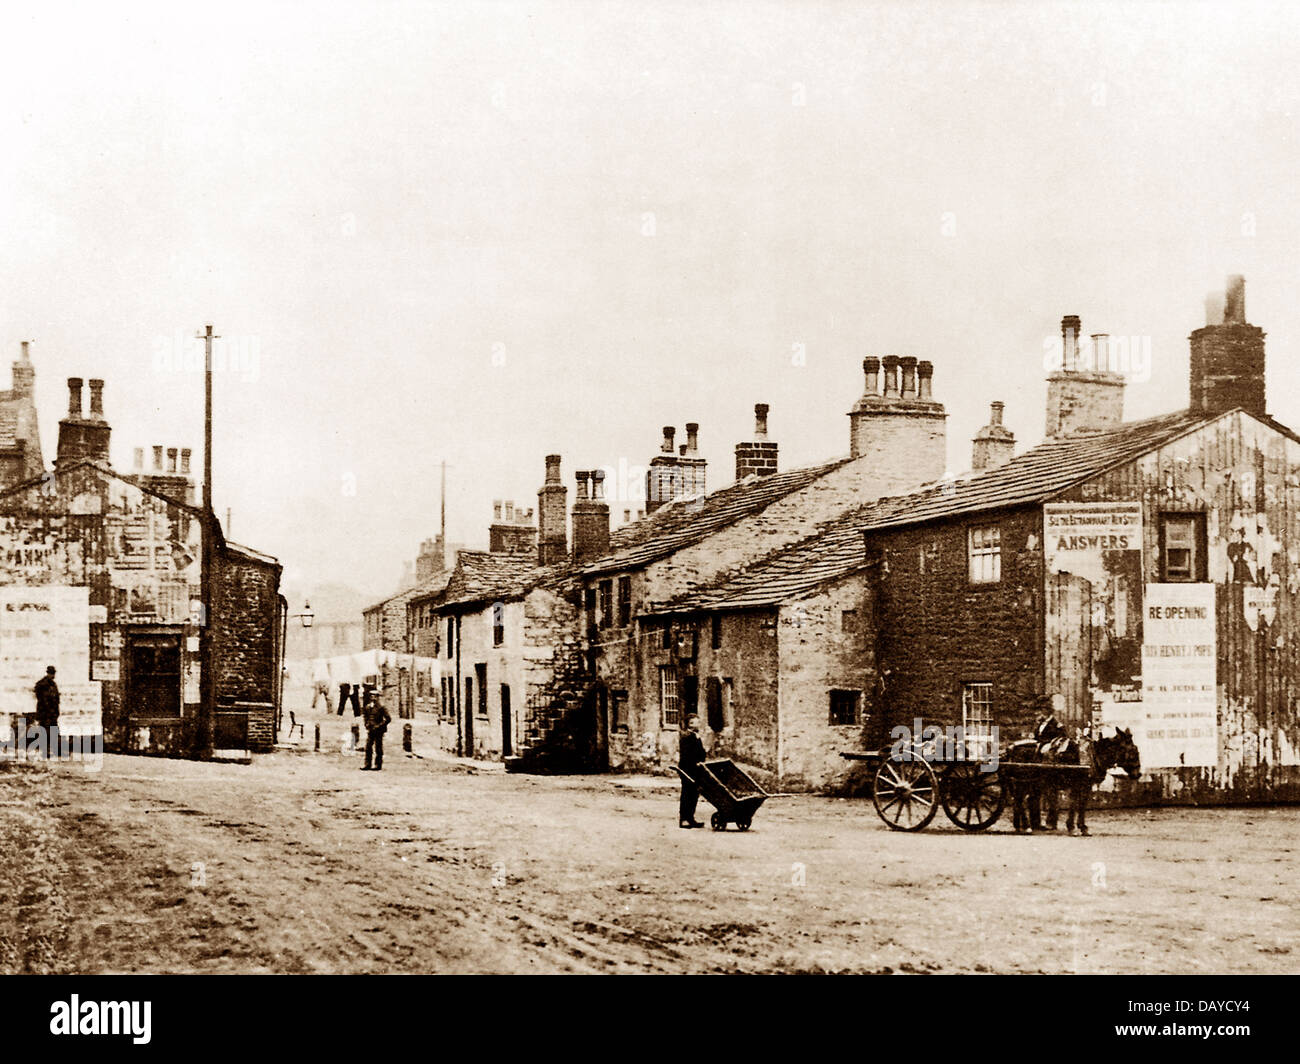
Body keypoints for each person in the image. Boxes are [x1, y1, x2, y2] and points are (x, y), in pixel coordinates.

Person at [678, 713, 706, 828]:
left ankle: (691, 818)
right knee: (687, 793)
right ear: (690, 724)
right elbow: (687, 755)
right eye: (696, 722)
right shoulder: (686, 737)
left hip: (696, 769)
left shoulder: (695, 736)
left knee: (694, 794)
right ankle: (684, 819)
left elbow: (701, 753)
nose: (698, 724)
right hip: (688, 769)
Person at [33, 665, 60, 759]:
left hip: (52, 713)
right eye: (52, 673)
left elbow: (56, 699)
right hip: (45, 713)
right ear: (48, 673)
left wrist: (56, 712)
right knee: (45, 732)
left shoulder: (53, 684)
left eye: (54, 674)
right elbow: (41, 699)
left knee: (52, 731)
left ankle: (50, 750)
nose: (53, 675)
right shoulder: (42, 684)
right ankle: (45, 750)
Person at [361, 694, 392, 771]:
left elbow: (388, 719)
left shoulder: (381, 707)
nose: (373, 698)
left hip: (379, 731)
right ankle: (367, 764)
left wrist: (379, 726)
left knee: (378, 748)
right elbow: (365, 716)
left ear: (378, 697)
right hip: (371, 730)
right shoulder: (368, 707)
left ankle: (378, 765)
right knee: (368, 747)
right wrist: (366, 724)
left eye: (375, 696)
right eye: (371, 696)